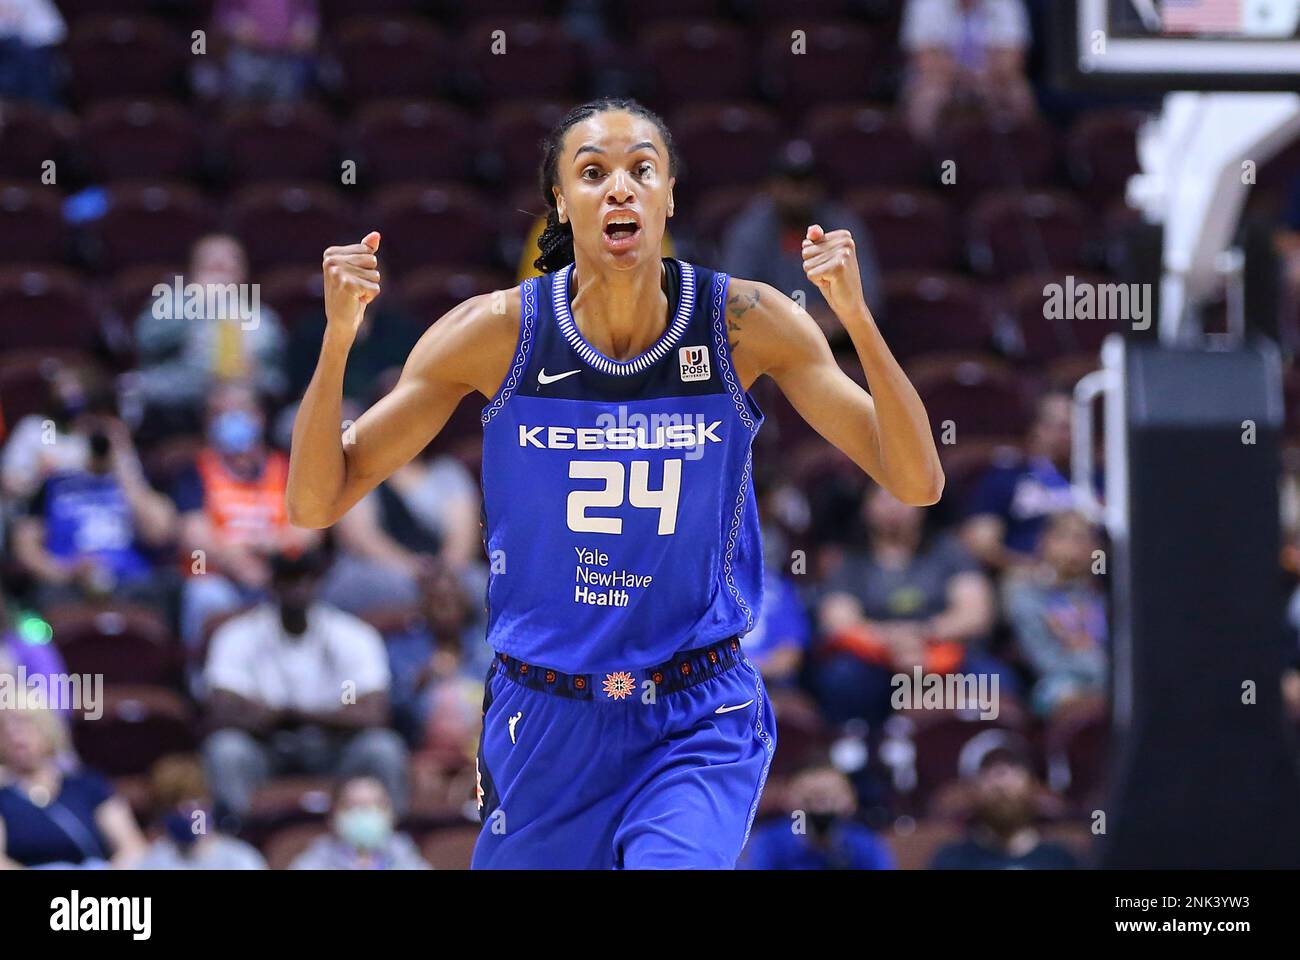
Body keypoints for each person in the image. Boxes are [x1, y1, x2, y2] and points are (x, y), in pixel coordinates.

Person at [288, 98, 943, 869]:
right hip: (546, 713)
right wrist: (335, 344)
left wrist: (858, 321)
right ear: (561, 203)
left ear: (669, 195)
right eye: (593, 172)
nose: (620, 188)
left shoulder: (744, 321)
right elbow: (314, 499)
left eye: (642, 170)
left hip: (694, 710)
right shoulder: (495, 333)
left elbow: (917, 478)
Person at [200, 550, 407, 823]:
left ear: (317, 583)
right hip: (265, 749)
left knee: (382, 748)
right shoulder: (238, 634)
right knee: (226, 749)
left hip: (333, 748)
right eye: (288, 579)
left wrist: (290, 715)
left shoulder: (352, 634)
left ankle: (391, 837)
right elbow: (221, 712)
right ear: (272, 583)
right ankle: (237, 836)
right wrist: (320, 715)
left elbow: (374, 714)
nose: (296, 588)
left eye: (305, 579)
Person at [814, 483, 997, 726]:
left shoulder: (950, 550)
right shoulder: (849, 560)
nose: (894, 508)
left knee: (995, 680)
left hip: (943, 651)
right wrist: (892, 644)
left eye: (902, 498)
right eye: (883, 499)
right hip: (874, 658)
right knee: (841, 678)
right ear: (866, 508)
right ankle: (855, 746)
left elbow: (975, 615)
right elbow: (838, 622)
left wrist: (924, 635)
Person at [173, 381, 317, 650]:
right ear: (207, 422)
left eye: (239, 410)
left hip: (279, 573)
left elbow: (310, 531)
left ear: (260, 417)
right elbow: (193, 536)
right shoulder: (194, 471)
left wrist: (268, 554)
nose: (230, 419)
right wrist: (238, 563)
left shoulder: (288, 467)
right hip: (220, 576)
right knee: (203, 593)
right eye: (219, 413)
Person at [13, 416, 176, 609]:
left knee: (168, 586)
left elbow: (160, 532)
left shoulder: (136, 481)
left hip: (131, 583)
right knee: (45, 599)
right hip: (67, 584)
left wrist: (123, 463)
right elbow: (25, 545)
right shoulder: (53, 482)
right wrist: (65, 572)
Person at [134, 234, 287, 436]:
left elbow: (278, 380)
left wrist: (258, 376)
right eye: (212, 266)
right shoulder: (171, 306)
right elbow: (146, 342)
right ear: (194, 271)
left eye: (228, 266)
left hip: (245, 409)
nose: (220, 275)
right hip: (180, 410)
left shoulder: (263, 319)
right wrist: (198, 303)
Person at [720, 139, 881, 323]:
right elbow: (735, 301)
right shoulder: (749, 231)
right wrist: (794, 324)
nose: (797, 191)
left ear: (819, 187)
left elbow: (870, 299)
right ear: (771, 186)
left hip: (833, 342)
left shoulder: (841, 226)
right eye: (789, 181)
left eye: (805, 181)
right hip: (770, 340)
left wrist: (828, 321)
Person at [0, 706, 147, 869]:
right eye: (4, 728)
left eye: (24, 724)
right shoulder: (3, 795)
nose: (14, 734)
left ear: (48, 729)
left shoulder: (87, 785)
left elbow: (131, 845)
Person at [1003, 511, 1108, 717]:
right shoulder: (1026, 593)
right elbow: (1043, 661)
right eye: (1063, 537)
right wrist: (1097, 665)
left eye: (1083, 538)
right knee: (1067, 695)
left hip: (1111, 680)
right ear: (1044, 542)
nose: (1073, 547)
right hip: (1056, 682)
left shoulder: (1107, 594)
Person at [961, 391, 1081, 570]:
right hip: (1025, 579)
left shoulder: (1094, 478)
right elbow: (980, 542)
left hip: (1088, 581)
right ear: (1037, 428)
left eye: (1076, 427)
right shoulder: (1005, 478)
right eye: (1062, 427)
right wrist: (1030, 569)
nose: (1070, 435)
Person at [900, 0, 1036, 141]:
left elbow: (1012, 59)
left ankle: (1024, 153)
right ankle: (923, 153)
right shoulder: (925, 3)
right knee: (929, 94)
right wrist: (967, 76)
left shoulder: (1007, 3)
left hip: (991, 77)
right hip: (941, 79)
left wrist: (983, 78)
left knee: (1018, 91)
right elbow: (926, 60)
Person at [929, 750, 1080, 869]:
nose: (1002, 787)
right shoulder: (950, 860)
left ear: (1033, 788)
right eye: (990, 777)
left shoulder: (1061, 860)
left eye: (1013, 774)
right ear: (973, 792)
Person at [740, 765, 894, 870]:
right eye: (809, 799)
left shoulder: (866, 844)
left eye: (830, 799)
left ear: (851, 802)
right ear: (789, 801)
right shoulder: (769, 842)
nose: (819, 808)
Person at [134, 754, 266, 870]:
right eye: (172, 804)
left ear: (209, 802)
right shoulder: (151, 862)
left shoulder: (240, 859)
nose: (182, 811)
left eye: (191, 800)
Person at [290, 776, 429, 870]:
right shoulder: (318, 855)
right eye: (353, 806)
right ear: (333, 817)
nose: (365, 814)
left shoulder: (402, 852)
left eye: (375, 806)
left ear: (391, 814)